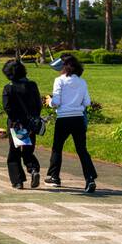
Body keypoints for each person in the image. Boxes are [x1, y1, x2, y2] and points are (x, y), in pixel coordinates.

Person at [46, 53, 98, 194]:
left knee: (57, 147)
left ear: (64, 67)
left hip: (63, 118)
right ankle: (90, 178)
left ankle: (54, 176)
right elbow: (87, 102)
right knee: (82, 150)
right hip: (78, 118)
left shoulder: (59, 80)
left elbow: (56, 102)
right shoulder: (82, 81)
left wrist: (49, 102)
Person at [1, 59, 42, 189]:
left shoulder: (9, 88)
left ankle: (18, 181)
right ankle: (33, 169)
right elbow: (38, 104)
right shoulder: (32, 85)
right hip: (31, 123)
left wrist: (16, 121)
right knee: (28, 150)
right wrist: (34, 118)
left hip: (18, 124)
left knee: (15, 153)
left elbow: (8, 108)